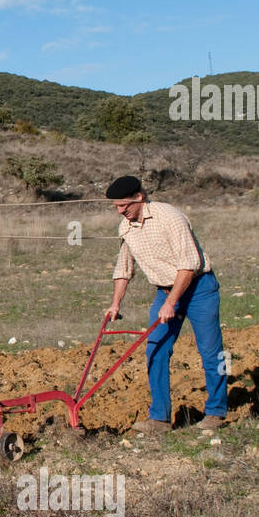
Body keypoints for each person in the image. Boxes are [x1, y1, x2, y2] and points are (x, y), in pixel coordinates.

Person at [102, 176, 227, 434]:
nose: (120, 211)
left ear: (139, 197)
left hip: (198, 288)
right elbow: (124, 268)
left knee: (211, 352)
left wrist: (172, 302)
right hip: (166, 291)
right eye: (115, 207)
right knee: (155, 349)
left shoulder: (170, 218)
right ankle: (159, 419)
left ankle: (216, 413)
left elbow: (189, 264)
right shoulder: (125, 228)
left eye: (123, 205)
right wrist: (115, 303)